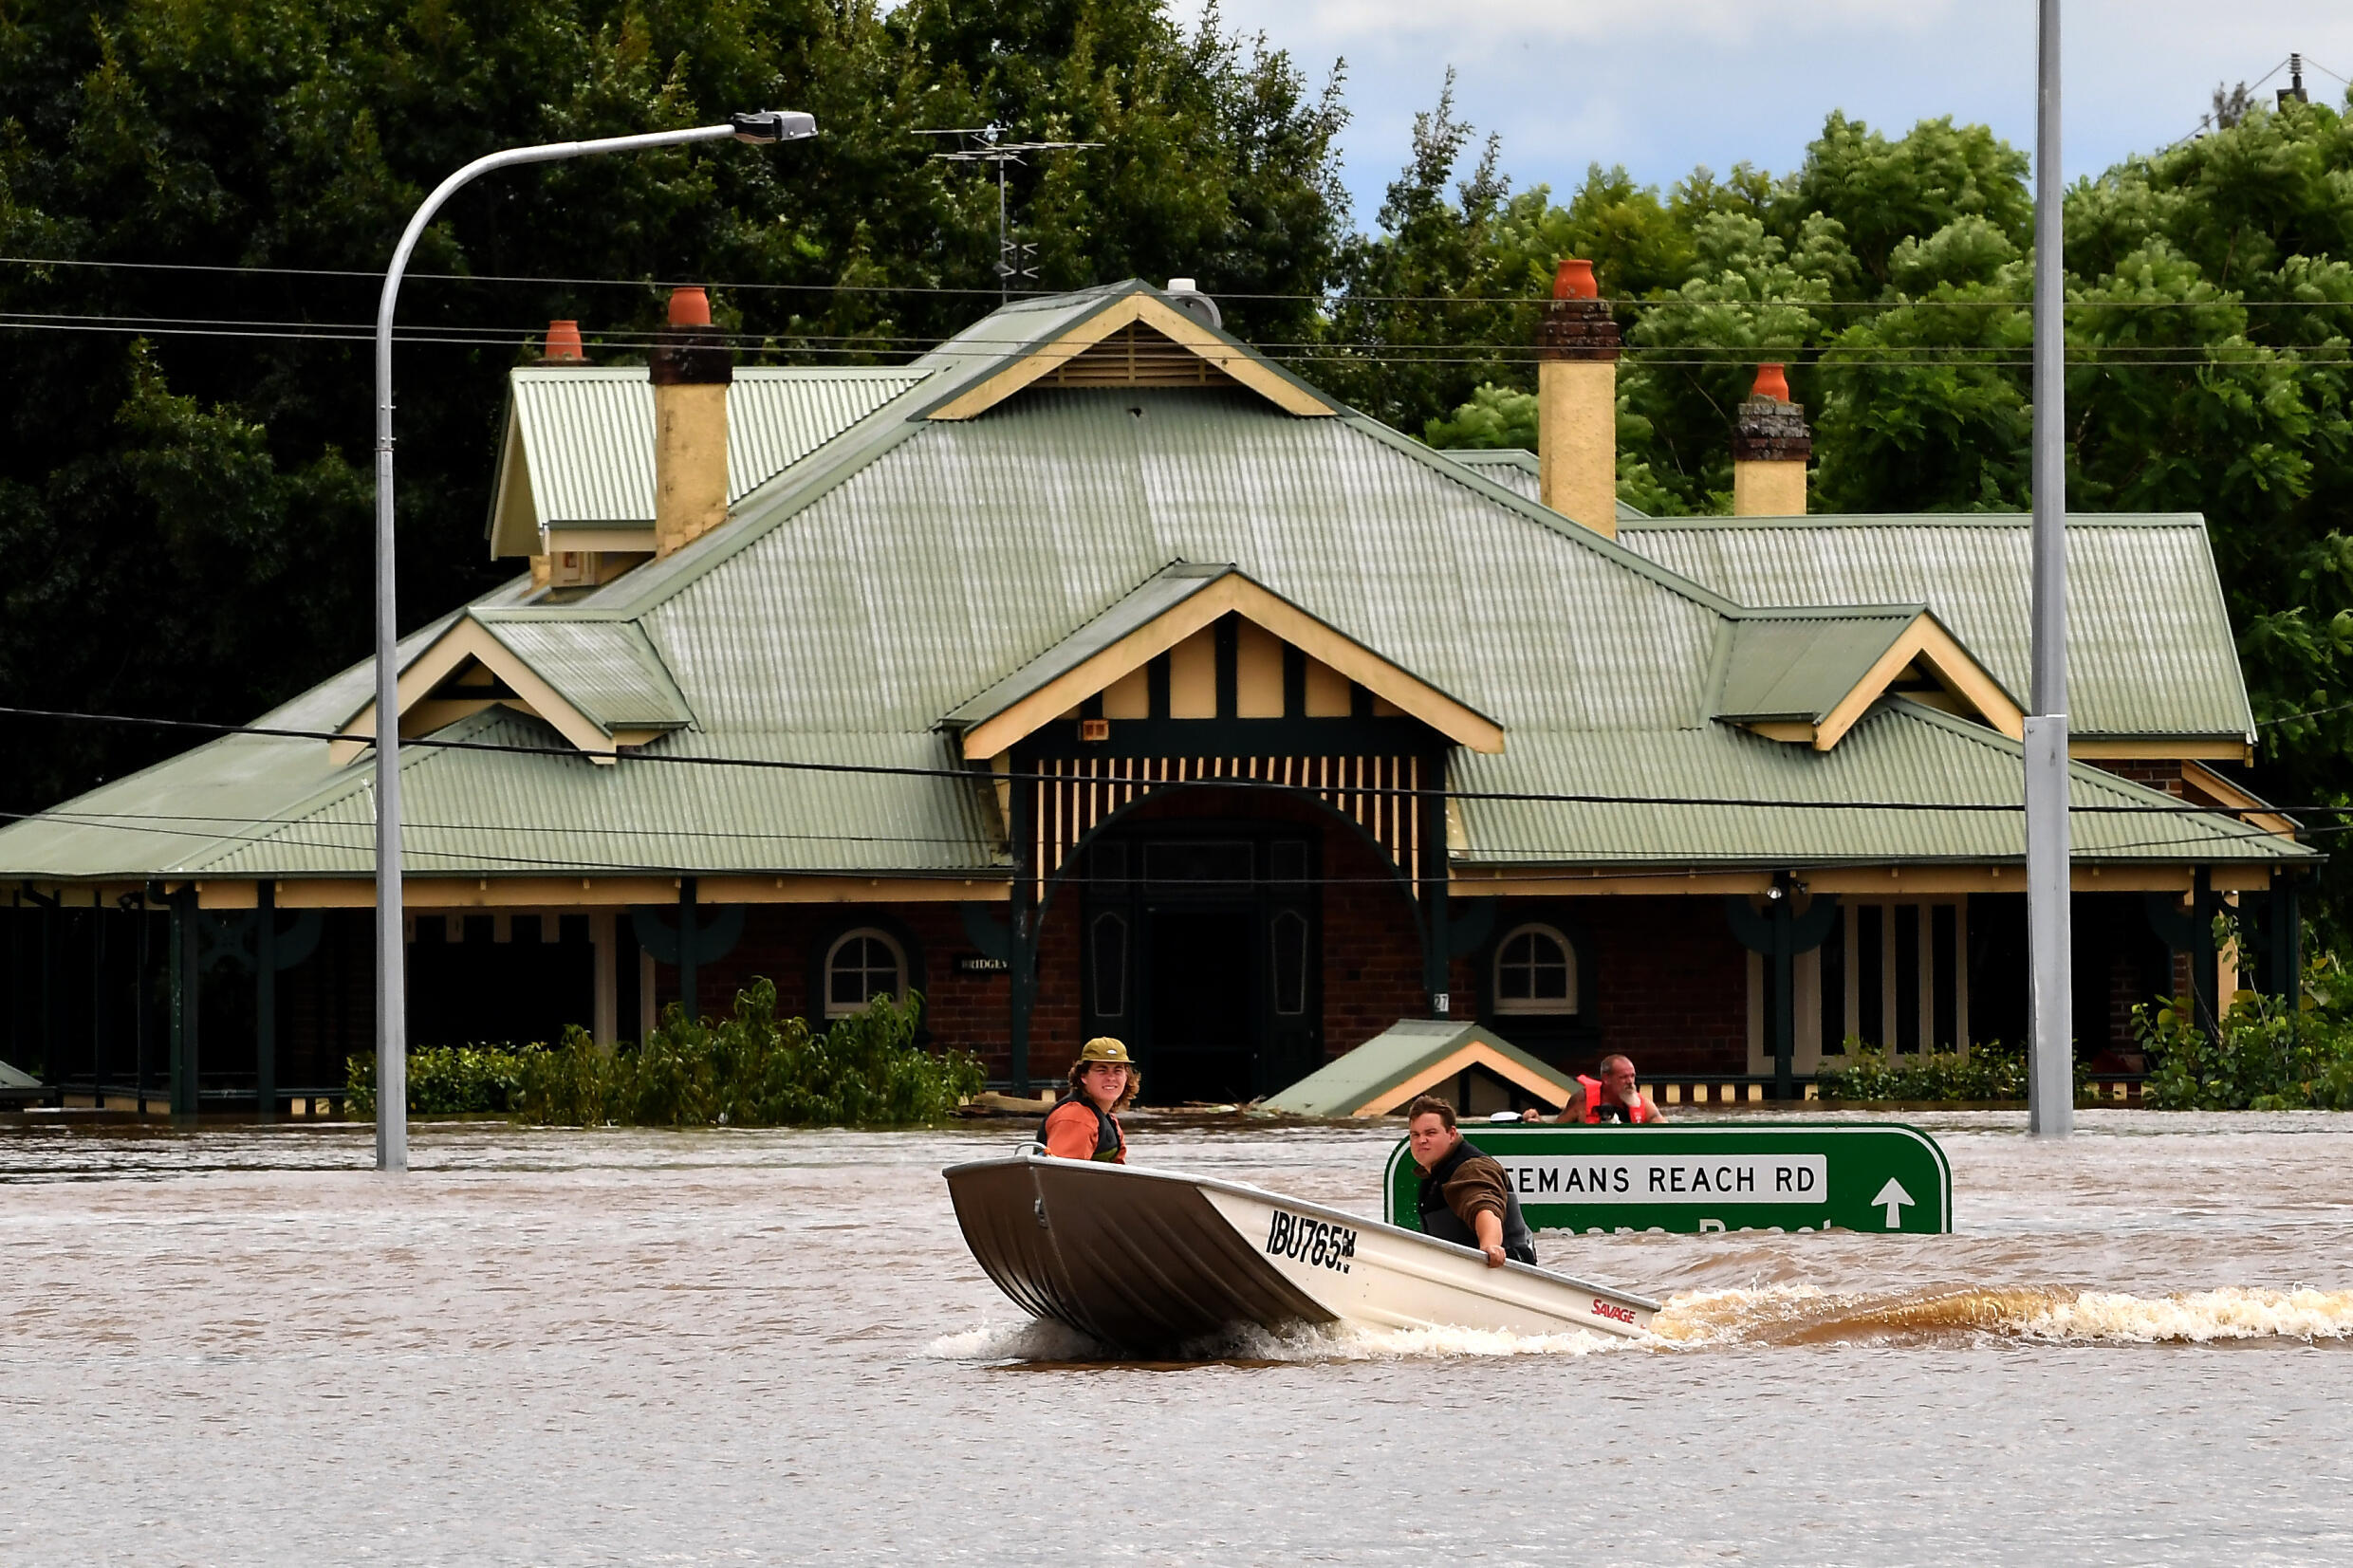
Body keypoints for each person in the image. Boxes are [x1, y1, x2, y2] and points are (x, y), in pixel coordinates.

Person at [1404, 1095, 1537, 1267]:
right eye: (1415, 1134)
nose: (1421, 1140)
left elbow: (1485, 1208)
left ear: (1451, 1134)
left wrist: (1490, 1246)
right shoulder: (1436, 1172)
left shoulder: (1471, 1169)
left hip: (1507, 1274)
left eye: (1431, 1133)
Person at [1039, 1037, 1139, 1163]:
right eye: (1102, 1070)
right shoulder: (1076, 1118)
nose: (1111, 1077)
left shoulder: (1110, 1120)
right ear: (1083, 1077)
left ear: (1126, 1076)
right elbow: (1060, 1174)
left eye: (1118, 1070)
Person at [1526, 1054, 1665, 1125]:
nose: (1630, 1082)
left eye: (1632, 1076)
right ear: (1606, 1078)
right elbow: (1555, 1132)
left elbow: (1667, 1131)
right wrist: (1537, 1122)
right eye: (1623, 1077)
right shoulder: (1582, 1101)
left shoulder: (1645, 1106)